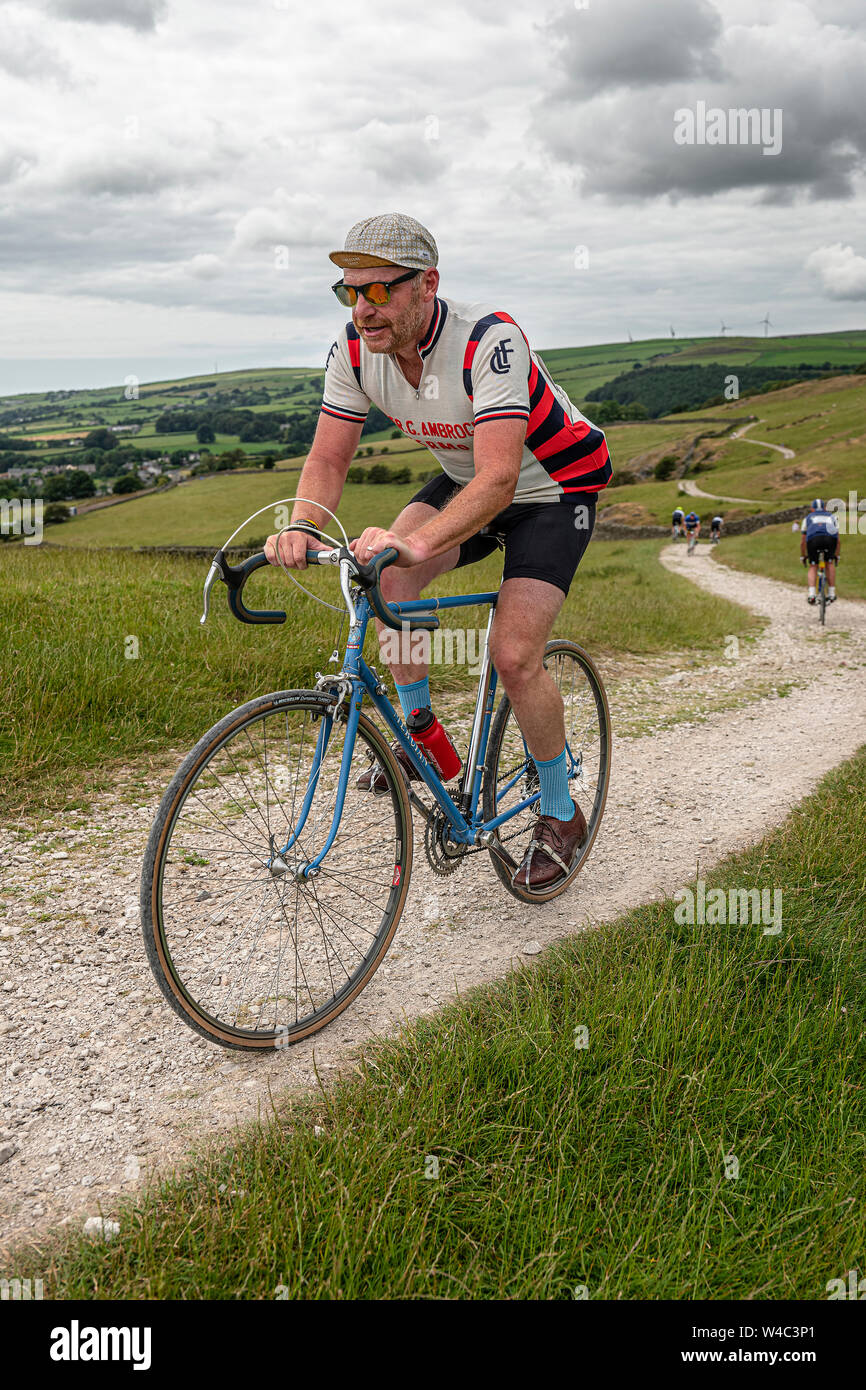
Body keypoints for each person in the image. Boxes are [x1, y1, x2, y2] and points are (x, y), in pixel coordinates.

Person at [264, 213, 612, 890]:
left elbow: (501, 477)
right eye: (350, 293)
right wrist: (303, 525)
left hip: (552, 489)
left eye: (380, 292)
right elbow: (329, 456)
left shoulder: (491, 340)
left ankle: (561, 811)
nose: (363, 309)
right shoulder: (353, 350)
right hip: (466, 475)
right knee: (392, 585)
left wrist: (414, 540)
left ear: (429, 283)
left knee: (513, 655)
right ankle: (423, 734)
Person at [800, 498, 840, 603]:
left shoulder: (808, 518)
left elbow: (803, 542)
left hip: (813, 540)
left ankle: (812, 594)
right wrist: (836, 555)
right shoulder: (832, 517)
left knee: (813, 566)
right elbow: (838, 540)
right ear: (825, 508)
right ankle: (831, 593)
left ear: (812, 509)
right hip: (830, 539)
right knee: (829, 563)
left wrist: (803, 555)